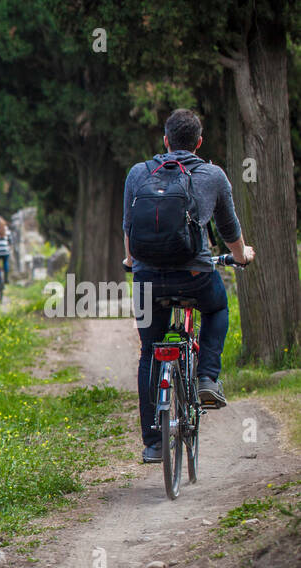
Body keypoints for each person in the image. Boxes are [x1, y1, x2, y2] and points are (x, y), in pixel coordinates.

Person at [122, 108, 254, 464]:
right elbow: (230, 232)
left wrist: (134, 265)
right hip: (194, 277)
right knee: (217, 307)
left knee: (150, 351)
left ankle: (153, 443)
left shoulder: (138, 174)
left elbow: (129, 235)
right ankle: (208, 377)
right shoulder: (212, 175)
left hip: (148, 279)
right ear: (199, 142)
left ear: (165, 140)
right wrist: (242, 256)